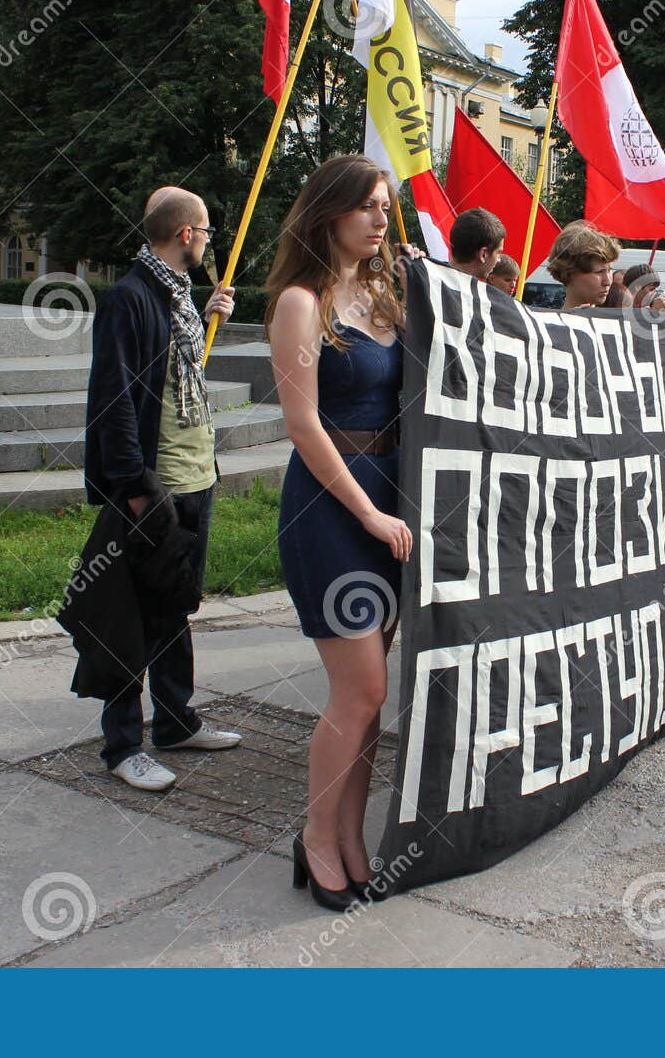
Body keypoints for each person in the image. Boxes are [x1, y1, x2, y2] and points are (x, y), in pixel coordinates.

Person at [267, 155, 412, 911]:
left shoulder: (384, 296)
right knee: (360, 689)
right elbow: (303, 425)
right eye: (368, 208)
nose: (381, 220)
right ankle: (316, 837)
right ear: (329, 212)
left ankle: (351, 836)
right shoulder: (301, 302)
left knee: (370, 697)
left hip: (389, 503)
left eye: (386, 208)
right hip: (332, 509)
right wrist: (366, 513)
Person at [83, 185, 242, 792]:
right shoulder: (130, 297)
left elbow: (174, 373)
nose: (207, 241)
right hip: (156, 486)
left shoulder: (174, 297)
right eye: (205, 232)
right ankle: (124, 744)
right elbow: (115, 400)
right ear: (185, 235)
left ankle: (175, 721)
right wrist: (135, 488)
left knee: (175, 606)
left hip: (195, 477)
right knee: (133, 616)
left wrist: (206, 320)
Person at [549, 223, 619, 310]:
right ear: (570, 274)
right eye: (599, 272)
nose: (607, 281)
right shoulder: (546, 322)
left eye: (610, 270)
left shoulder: (614, 321)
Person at [448, 207, 505, 280]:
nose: (499, 260)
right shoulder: (485, 291)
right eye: (498, 253)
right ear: (483, 254)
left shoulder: (429, 277)